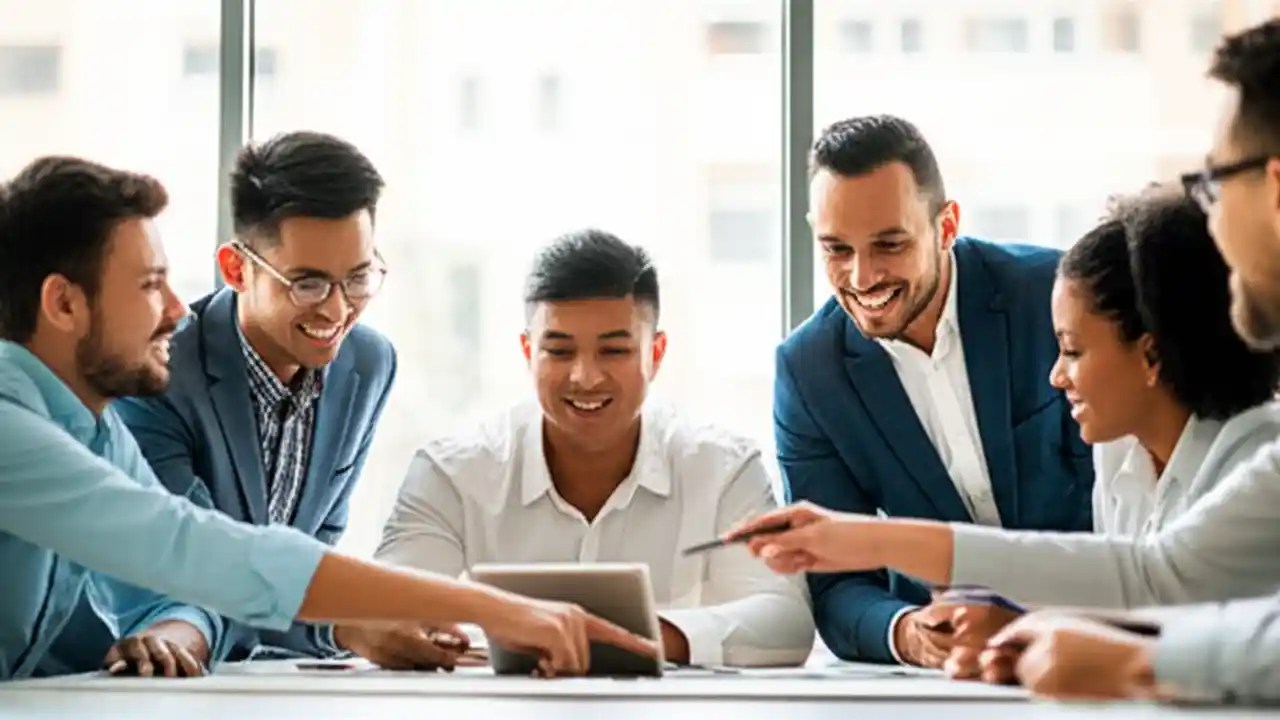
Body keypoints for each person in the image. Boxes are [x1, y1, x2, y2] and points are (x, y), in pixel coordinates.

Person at [0, 155, 656, 681]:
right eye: (148, 285)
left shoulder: (94, 429)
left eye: (358, 277)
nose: (176, 308)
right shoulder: (12, 427)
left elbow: (183, 567)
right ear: (63, 303)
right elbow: (200, 548)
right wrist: (497, 609)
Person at [969, 18, 1280, 704]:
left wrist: (1134, 660)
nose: (1213, 220)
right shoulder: (1118, 458)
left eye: (1215, 185)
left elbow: (1164, 583)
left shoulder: (1258, 450)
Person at [377, 229, 815, 668]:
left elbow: (784, 620)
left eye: (614, 351)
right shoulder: (452, 472)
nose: (585, 377)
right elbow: (382, 610)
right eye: (559, 351)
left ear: (655, 353)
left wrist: (626, 639)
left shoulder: (724, 467)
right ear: (528, 352)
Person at [775, 114, 1093, 666]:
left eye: (889, 244)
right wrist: (907, 633)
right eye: (836, 249)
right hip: (950, 674)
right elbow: (834, 584)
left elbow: (1137, 514)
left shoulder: (1054, 297)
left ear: (946, 226)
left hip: (1096, 636)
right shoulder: (809, 370)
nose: (861, 276)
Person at [96, 132, 408, 668]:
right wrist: (346, 623)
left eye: (357, 279)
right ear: (237, 269)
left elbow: (319, 544)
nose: (337, 311)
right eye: (308, 285)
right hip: (128, 666)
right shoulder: (158, 370)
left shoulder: (367, 364)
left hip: (255, 676)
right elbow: (194, 563)